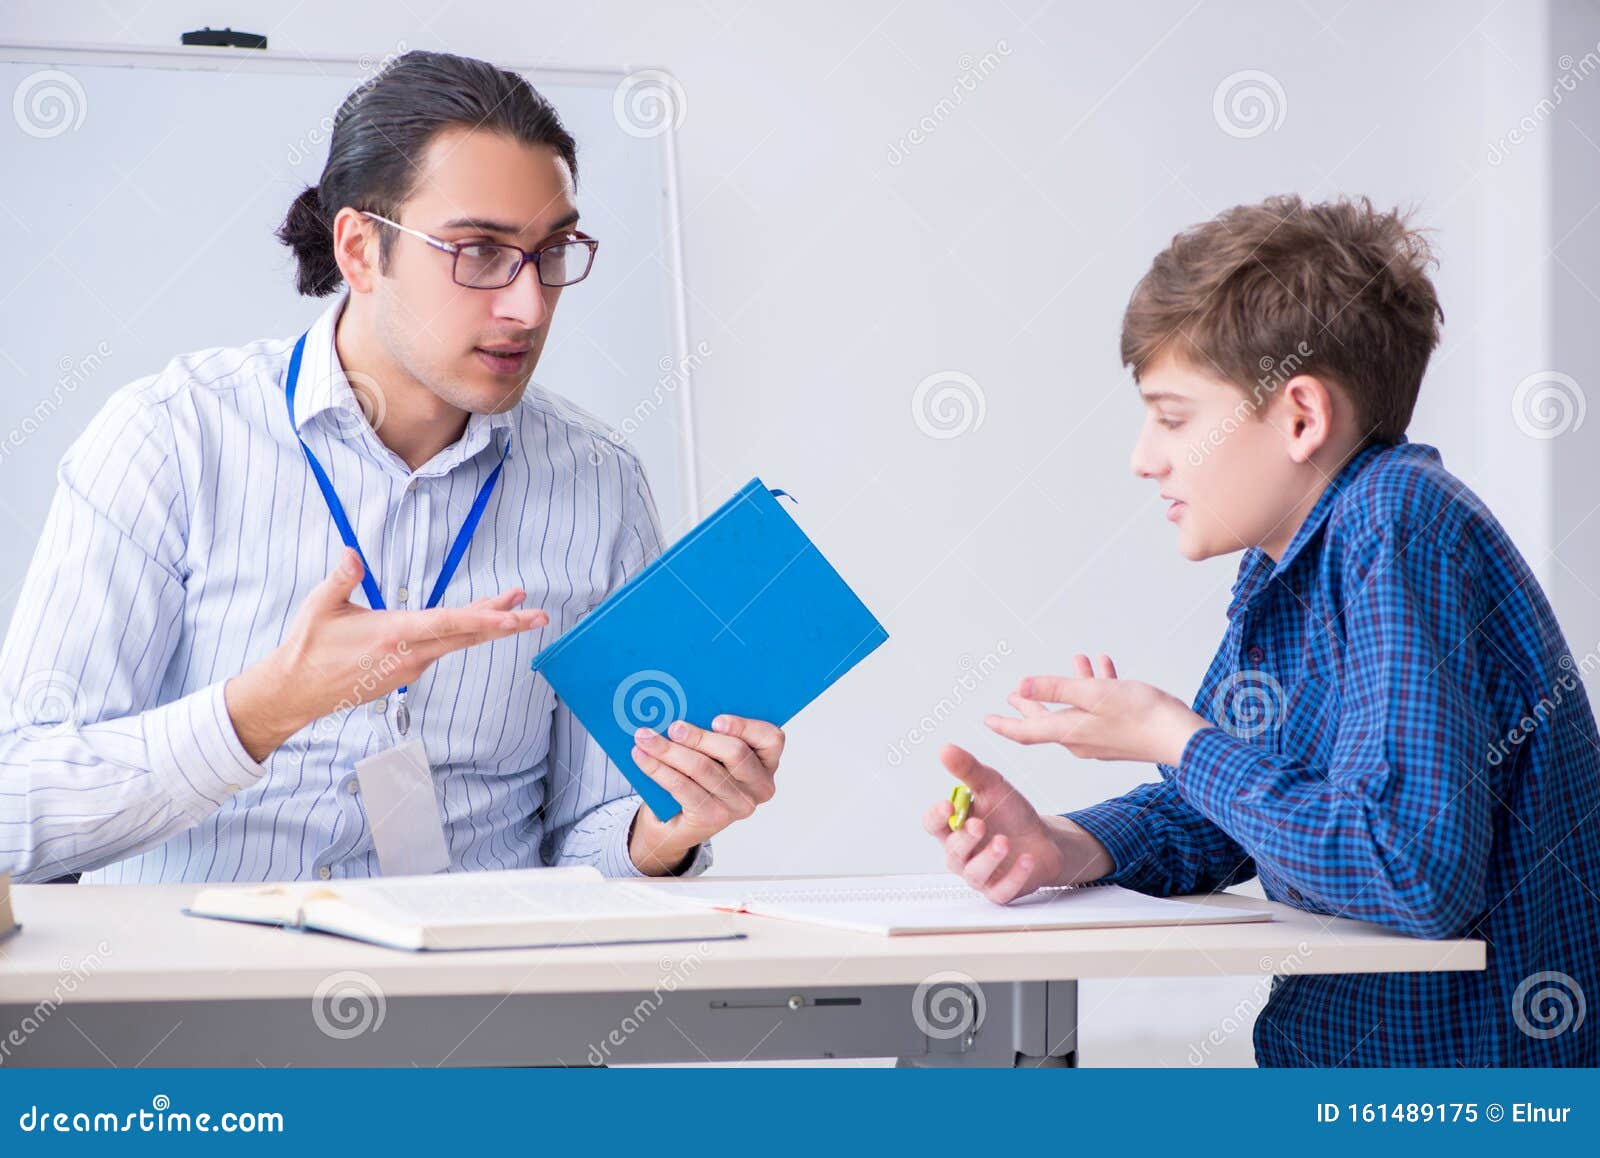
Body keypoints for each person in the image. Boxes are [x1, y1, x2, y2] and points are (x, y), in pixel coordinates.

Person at [0, 51, 783, 886]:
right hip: (197, 959)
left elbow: (591, 839)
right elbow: (19, 814)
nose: (529, 306)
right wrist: (262, 710)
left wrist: (664, 831)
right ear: (361, 249)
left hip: (484, 966)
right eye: (479, 251)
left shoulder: (600, 482)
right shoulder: (171, 439)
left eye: (552, 250)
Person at [924, 194, 1599, 1067]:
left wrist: (1174, 735)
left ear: (1301, 418)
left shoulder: (1396, 524)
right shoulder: (1290, 559)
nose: (1143, 458)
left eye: (1173, 418)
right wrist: (1065, 846)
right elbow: (1240, 809)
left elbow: (1409, 872)